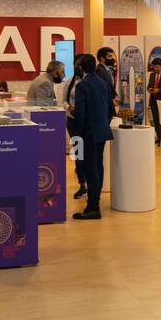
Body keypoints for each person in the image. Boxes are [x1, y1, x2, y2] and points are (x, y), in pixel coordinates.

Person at [71, 53, 115, 220]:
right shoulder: (104, 83)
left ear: (81, 67)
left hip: (88, 133)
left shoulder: (82, 86)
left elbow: (80, 113)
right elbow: (111, 110)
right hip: (101, 131)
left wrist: (78, 134)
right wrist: (103, 123)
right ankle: (94, 202)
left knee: (91, 169)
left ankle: (93, 207)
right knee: (98, 167)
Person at [65, 54, 89, 199]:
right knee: (78, 152)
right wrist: (71, 108)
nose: (78, 67)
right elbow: (63, 101)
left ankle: (90, 182)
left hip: (87, 122)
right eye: (77, 64)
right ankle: (83, 184)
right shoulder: (69, 82)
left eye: (81, 64)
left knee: (88, 153)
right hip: (73, 120)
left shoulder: (89, 82)